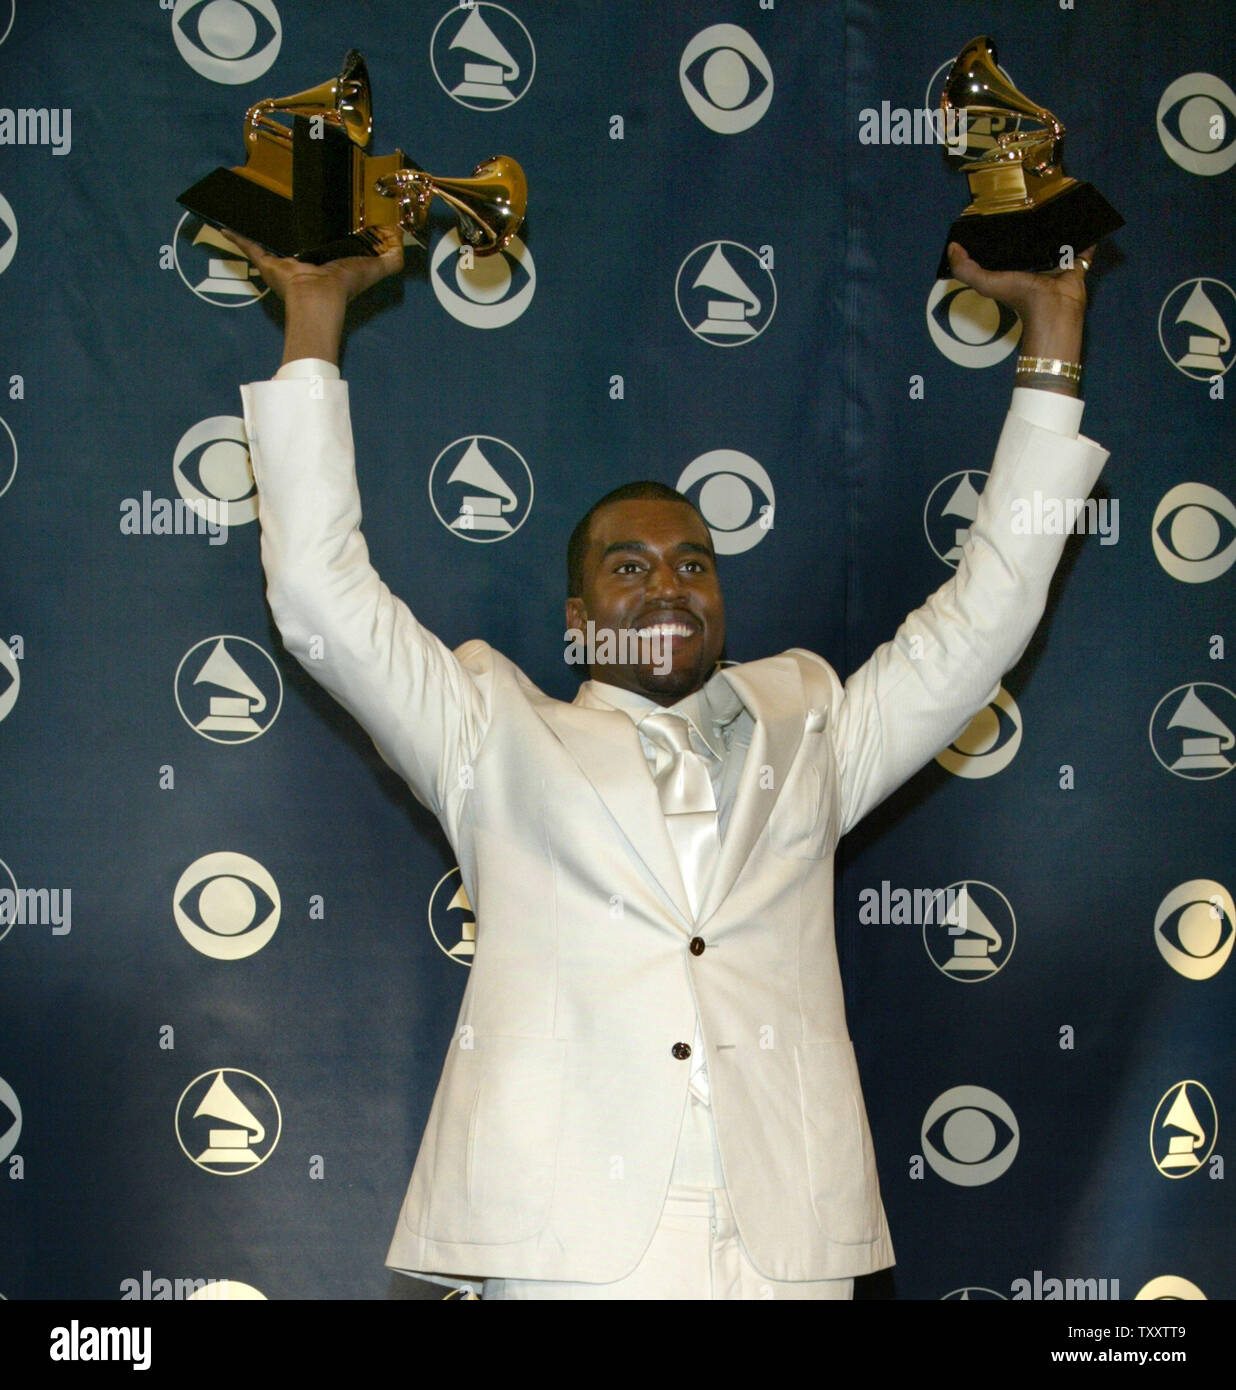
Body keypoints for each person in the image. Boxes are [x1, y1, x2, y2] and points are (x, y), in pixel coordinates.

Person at [227, 225, 1108, 1299]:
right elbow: (321, 596)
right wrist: (314, 317)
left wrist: (1055, 336)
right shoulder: (489, 733)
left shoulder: (814, 725)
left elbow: (988, 614)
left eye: (695, 562)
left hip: (788, 1242)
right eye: (628, 565)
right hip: (570, 1246)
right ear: (578, 616)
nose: (669, 584)